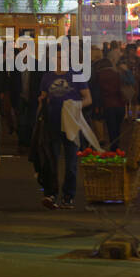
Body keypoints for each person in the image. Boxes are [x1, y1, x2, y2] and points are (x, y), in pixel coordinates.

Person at [38, 53, 91, 210]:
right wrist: (40, 111)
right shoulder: (47, 77)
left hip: (70, 124)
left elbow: (88, 98)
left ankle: (68, 196)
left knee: (71, 163)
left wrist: (75, 105)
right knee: (51, 160)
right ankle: (51, 194)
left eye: (63, 58)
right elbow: (43, 97)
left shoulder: (76, 75)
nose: (60, 61)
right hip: (52, 124)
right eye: (57, 58)